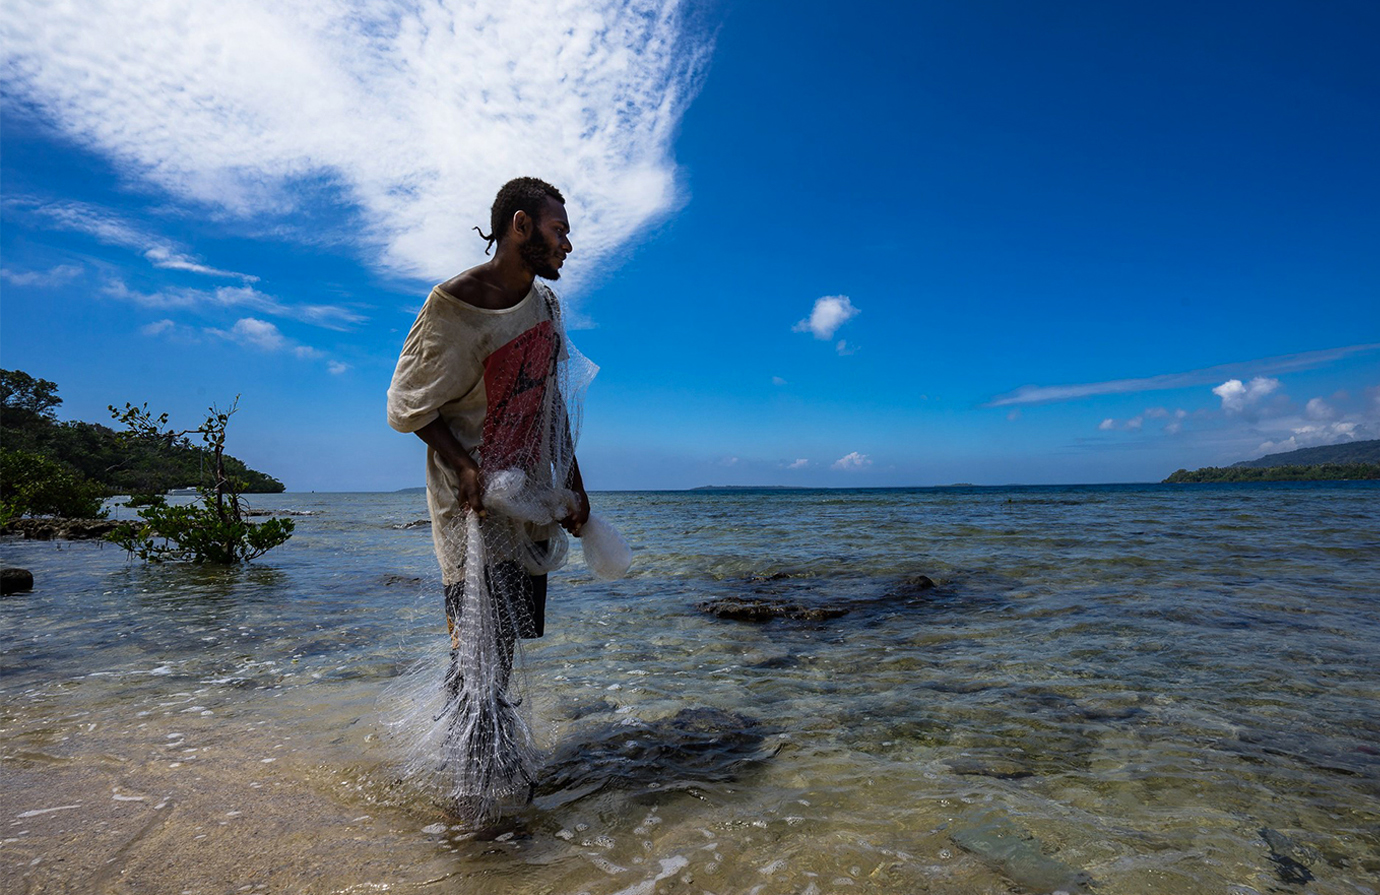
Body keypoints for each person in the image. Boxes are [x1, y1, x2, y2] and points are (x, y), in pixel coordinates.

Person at [387, 175, 591, 698]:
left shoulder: (546, 305)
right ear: (520, 226)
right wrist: (463, 464)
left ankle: (486, 759)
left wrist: (572, 479)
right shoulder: (454, 305)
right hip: (472, 499)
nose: (568, 244)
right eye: (558, 230)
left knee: (502, 643)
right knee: (476, 643)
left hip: (524, 494)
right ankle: (470, 768)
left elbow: (550, 399)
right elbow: (408, 404)